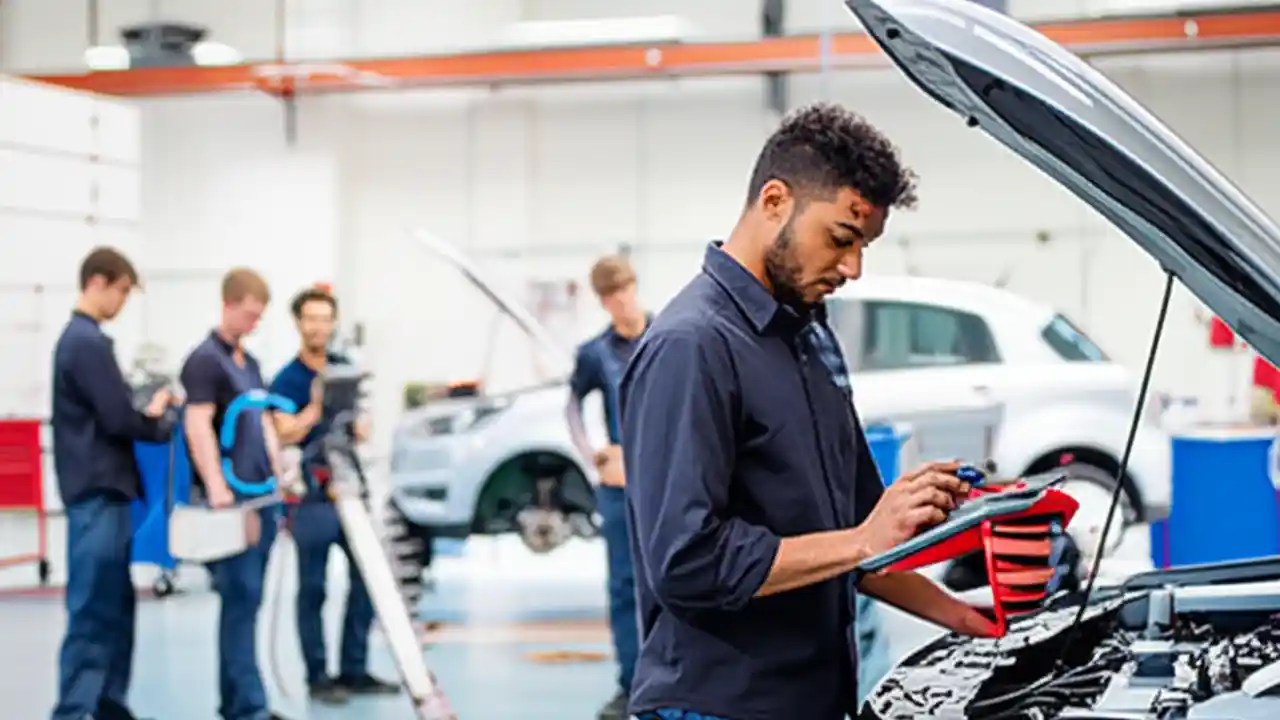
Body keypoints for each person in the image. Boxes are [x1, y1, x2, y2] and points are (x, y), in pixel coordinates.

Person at [618, 102, 999, 720]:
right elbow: (686, 560)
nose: (852, 268)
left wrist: (970, 616)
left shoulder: (808, 338)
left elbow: (858, 539)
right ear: (774, 202)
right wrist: (860, 540)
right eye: (841, 239)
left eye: (864, 246)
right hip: (718, 705)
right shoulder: (691, 346)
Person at [51, 247, 175, 720]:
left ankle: (107, 705)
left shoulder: (83, 342)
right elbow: (119, 418)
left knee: (116, 609)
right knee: (93, 612)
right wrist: (157, 420)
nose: (123, 301)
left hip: (107, 497)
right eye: (122, 290)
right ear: (98, 282)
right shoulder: (86, 343)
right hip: (97, 497)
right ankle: (75, 710)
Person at [268, 287, 398, 705]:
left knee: (368, 580)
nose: (318, 326)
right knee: (313, 587)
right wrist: (316, 406)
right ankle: (318, 676)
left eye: (325, 318)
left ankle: (354, 668)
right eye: (311, 318)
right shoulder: (287, 380)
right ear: (298, 323)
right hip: (311, 495)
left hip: (350, 489)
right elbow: (283, 430)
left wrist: (360, 421)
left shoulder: (346, 368)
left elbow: (362, 425)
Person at [179, 268, 288, 720]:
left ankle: (237, 702)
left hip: (261, 497)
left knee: (248, 601)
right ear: (227, 305)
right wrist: (218, 487)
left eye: (259, 317)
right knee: (240, 597)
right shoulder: (205, 361)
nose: (253, 323)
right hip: (231, 502)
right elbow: (197, 423)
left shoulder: (250, 363)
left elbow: (262, 422)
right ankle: (250, 707)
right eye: (248, 314)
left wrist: (280, 472)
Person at [565, 255, 650, 720]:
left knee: (673, 579)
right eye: (611, 296)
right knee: (623, 586)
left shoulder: (669, 335)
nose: (622, 301)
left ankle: (673, 680)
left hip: (665, 482)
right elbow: (572, 406)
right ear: (602, 302)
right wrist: (596, 456)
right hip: (619, 488)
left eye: (626, 290)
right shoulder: (596, 353)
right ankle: (631, 682)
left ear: (636, 287)